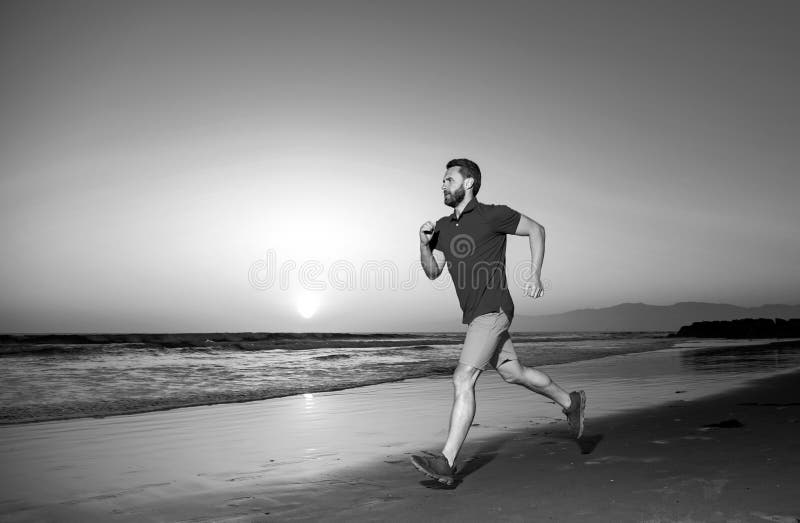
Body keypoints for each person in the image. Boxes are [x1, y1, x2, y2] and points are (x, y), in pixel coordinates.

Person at [411, 158, 586, 485]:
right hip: (476, 314)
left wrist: (534, 273)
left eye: (449, 180)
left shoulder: (493, 214)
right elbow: (433, 271)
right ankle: (569, 400)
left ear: (468, 183)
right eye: (443, 180)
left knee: (463, 378)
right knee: (513, 373)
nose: (443, 185)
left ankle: (447, 462)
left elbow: (537, 229)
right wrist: (423, 245)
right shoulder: (443, 227)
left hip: (493, 308)